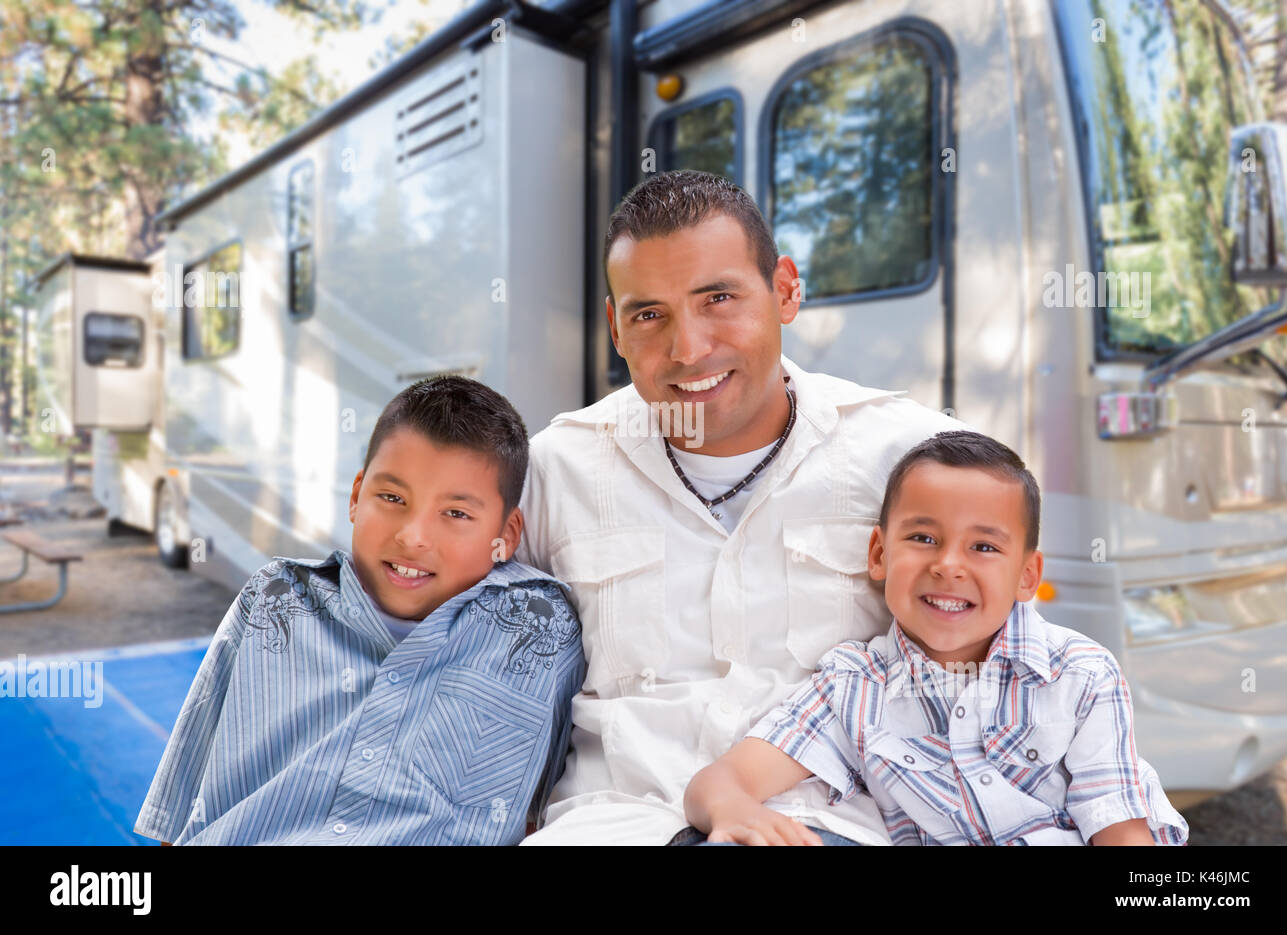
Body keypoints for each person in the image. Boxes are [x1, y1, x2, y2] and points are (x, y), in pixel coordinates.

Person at [515, 169, 965, 845]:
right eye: (649, 314)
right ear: (614, 326)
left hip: (826, 824)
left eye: (718, 297)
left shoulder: (908, 457)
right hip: (616, 824)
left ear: (784, 290)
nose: (689, 349)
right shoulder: (556, 468)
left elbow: (1022, 664)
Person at [134, 376, 584, 845]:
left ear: (508, 535)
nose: (413, 536)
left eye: (455, 514)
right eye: (392, 498)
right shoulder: (275, 599)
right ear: (356, 496)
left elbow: (543, 815)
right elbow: (182, 808)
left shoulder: (541, 631)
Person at [683, 431, 1189, 846]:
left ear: (1026, 575)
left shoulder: (1080, 674)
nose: (948, 566)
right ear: (879, 554)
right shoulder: (852, 688)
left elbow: (1123, 837)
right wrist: (734, 811)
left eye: (984, 546)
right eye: (923, 538)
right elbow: (723, 781)